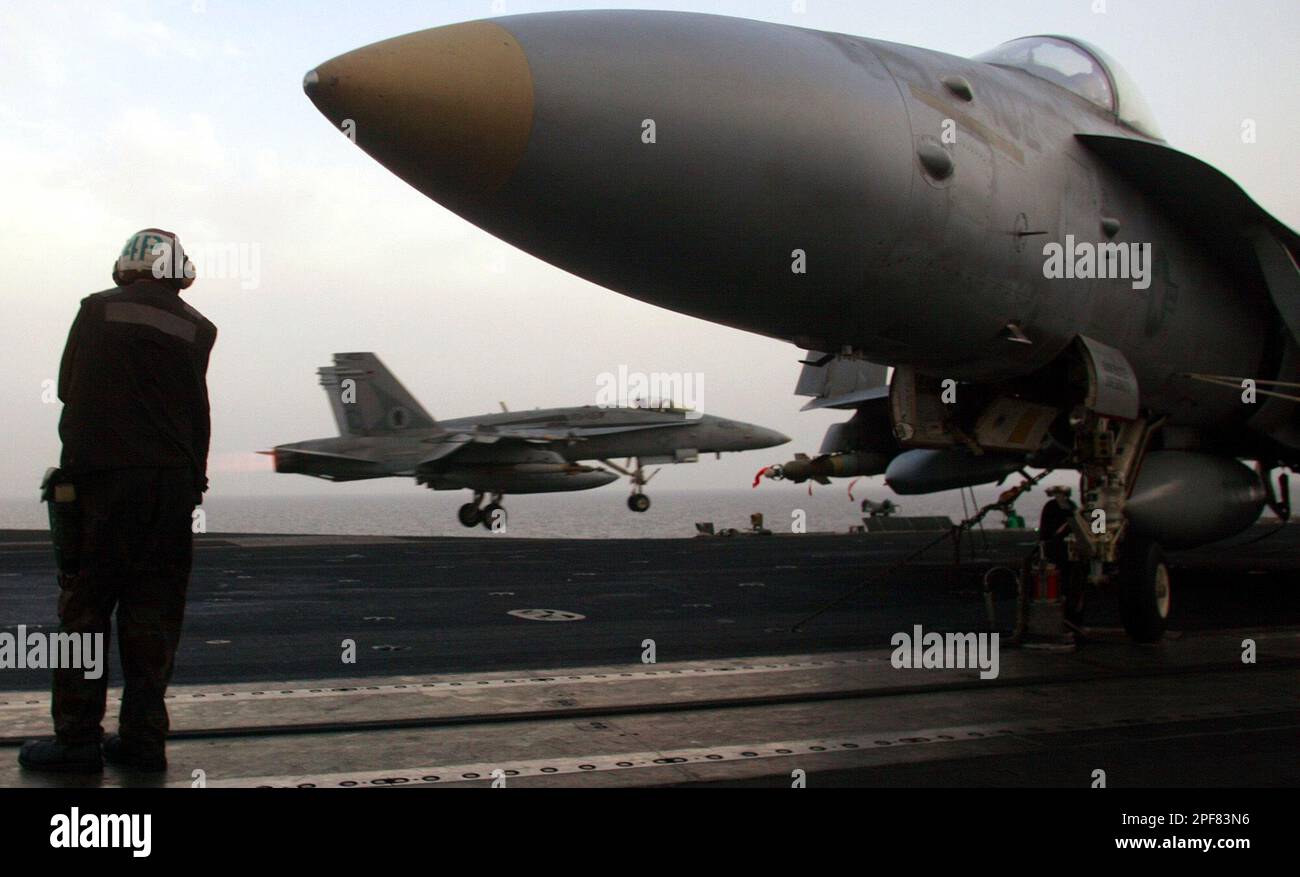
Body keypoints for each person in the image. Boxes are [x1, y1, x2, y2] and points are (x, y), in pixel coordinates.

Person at [19, 229, 217, 774]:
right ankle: (144, 741)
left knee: (84, 612)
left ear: (128, 265)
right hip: (174, 490)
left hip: (105, 484)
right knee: (153, 616)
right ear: (180, 272)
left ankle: (78, 739)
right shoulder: (199, 329)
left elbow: (68, 388)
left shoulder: (97, 311)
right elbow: (195, 412)